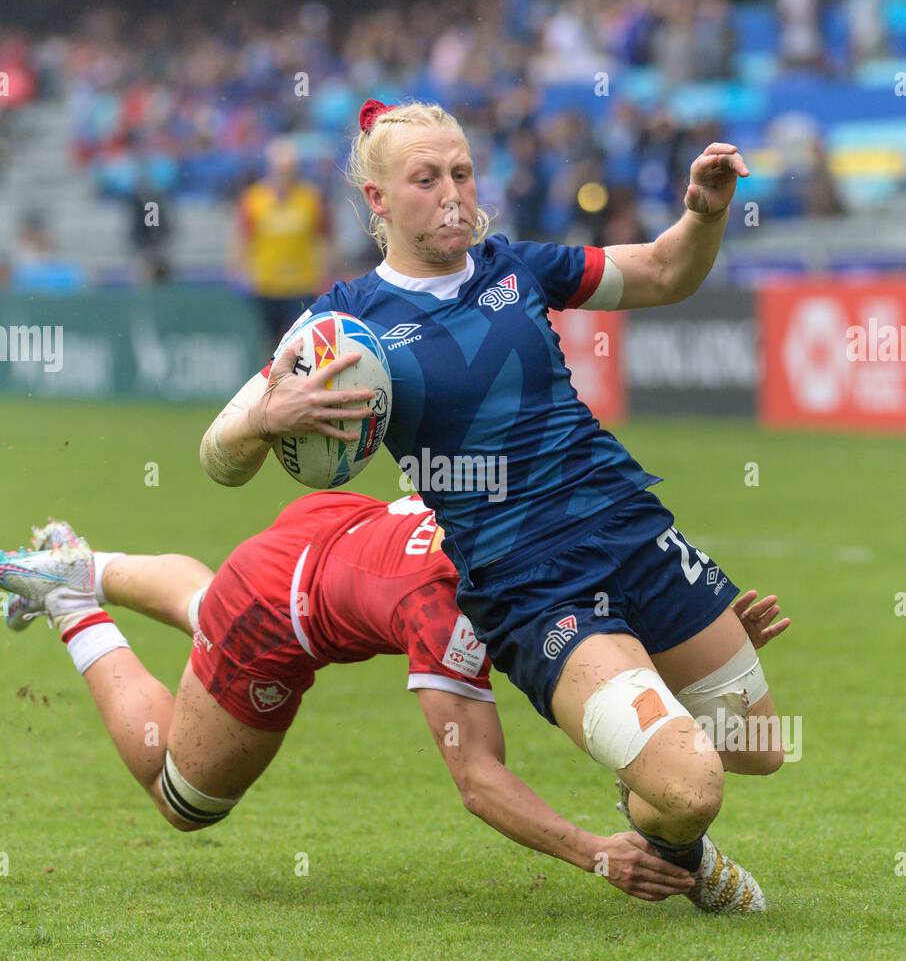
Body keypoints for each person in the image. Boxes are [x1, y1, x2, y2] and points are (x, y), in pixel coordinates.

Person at [200, 98, 786, 912]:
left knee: (758, 745)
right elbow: (218, 456)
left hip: (629, 529)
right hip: (529, 584)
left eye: (463, 173)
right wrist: (268, 416)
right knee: (692, 787)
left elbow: (663, 271)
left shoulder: (518, 268)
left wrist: (704, 215)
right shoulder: (341, 327)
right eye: (426, 178)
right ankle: (673, 829)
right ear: (377, 201)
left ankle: (645, 760)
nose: (451, 193)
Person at [0, 505, 786, 908]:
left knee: (214, 597)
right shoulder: (446, 612)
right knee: (183, 795)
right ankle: (75, 603)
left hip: (323, 534)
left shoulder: (511, 520)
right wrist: (595, 851)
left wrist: (694, 650)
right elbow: (477, 778)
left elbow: (597, 631)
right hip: (274, 617)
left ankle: (88, 564)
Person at [232, 136, 331, 348]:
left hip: (301, 285)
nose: (285, 174)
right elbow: (242, 240)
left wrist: (324, 272)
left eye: (290, 168)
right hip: (266, 286)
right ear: (270, 168)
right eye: (280, 168)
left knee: (299, 346)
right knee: (268, 346)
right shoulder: (254, 199)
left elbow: (325, 238)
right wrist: (240, 272)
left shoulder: (310, 198)